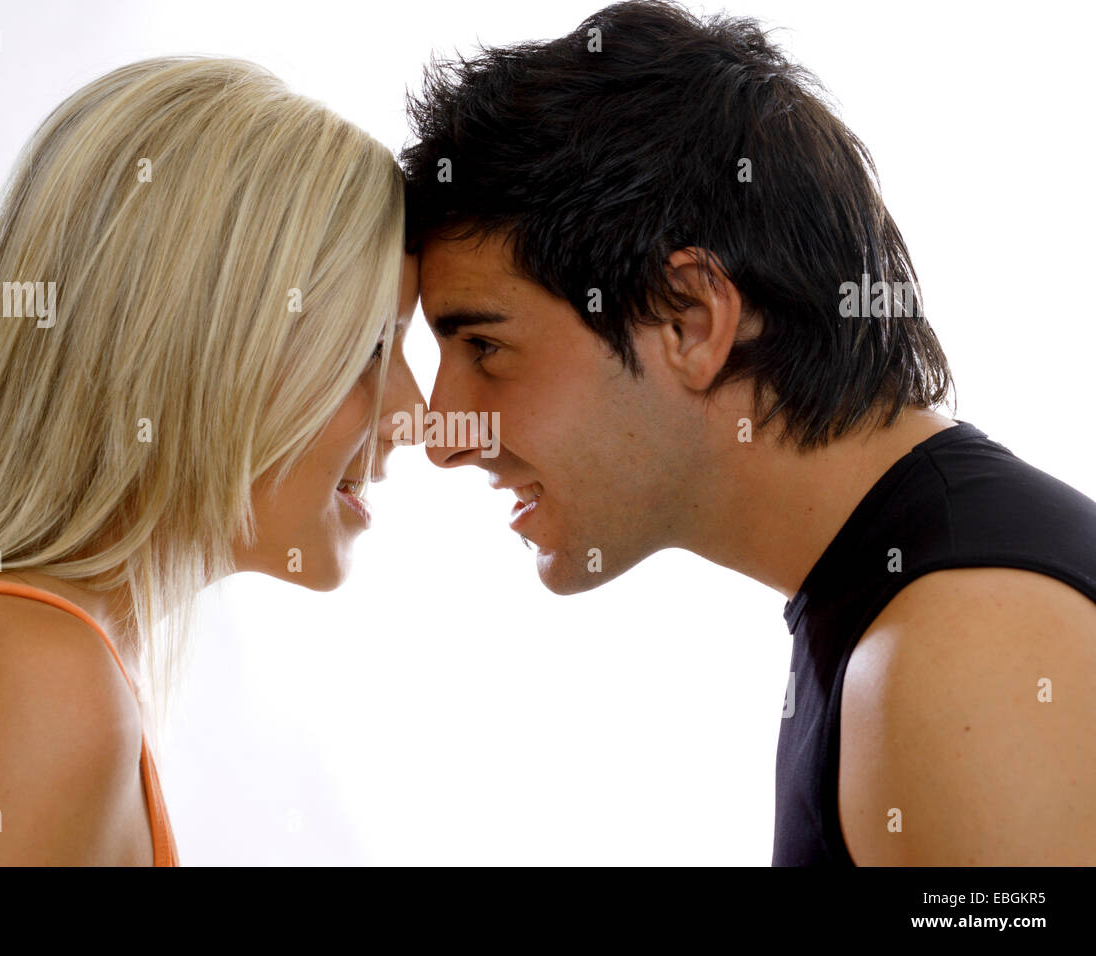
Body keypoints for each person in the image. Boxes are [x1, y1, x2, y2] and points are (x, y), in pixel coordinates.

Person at [400, 0, 1096, 865]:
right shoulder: (917, 600)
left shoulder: (960, 654)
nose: (441, 433)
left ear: (691, 319)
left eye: (484, 346)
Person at [0, 56, 423, 866]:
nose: (413, 413)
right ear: (202, 346)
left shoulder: (20, 655)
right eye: (371, 345)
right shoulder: (28, 677)